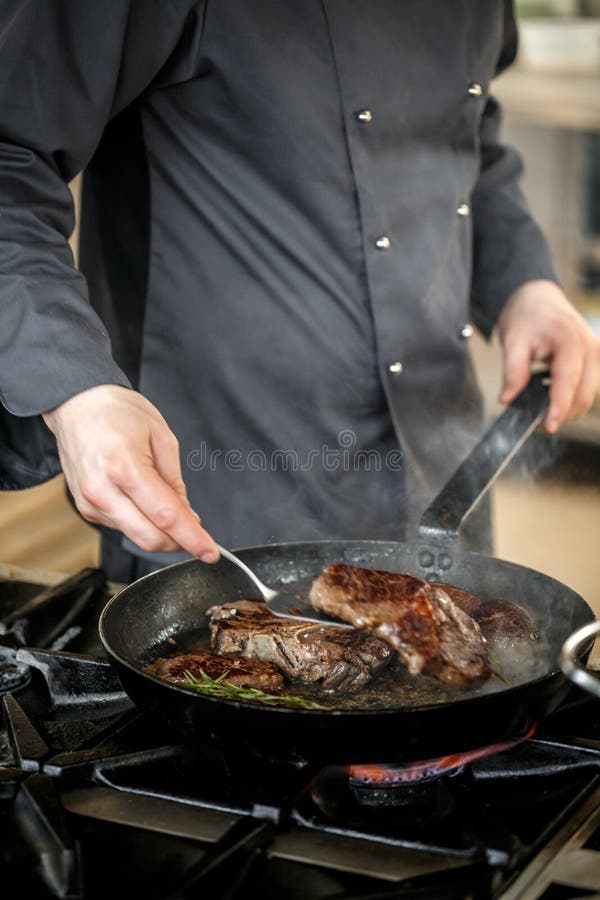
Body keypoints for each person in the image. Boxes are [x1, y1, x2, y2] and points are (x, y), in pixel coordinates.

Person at [1, 0, 598, 582]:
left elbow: (469, 135)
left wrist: (525, 282)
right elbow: (9, 162)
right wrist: (77, 388)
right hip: (222, 490)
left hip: (442, 478)